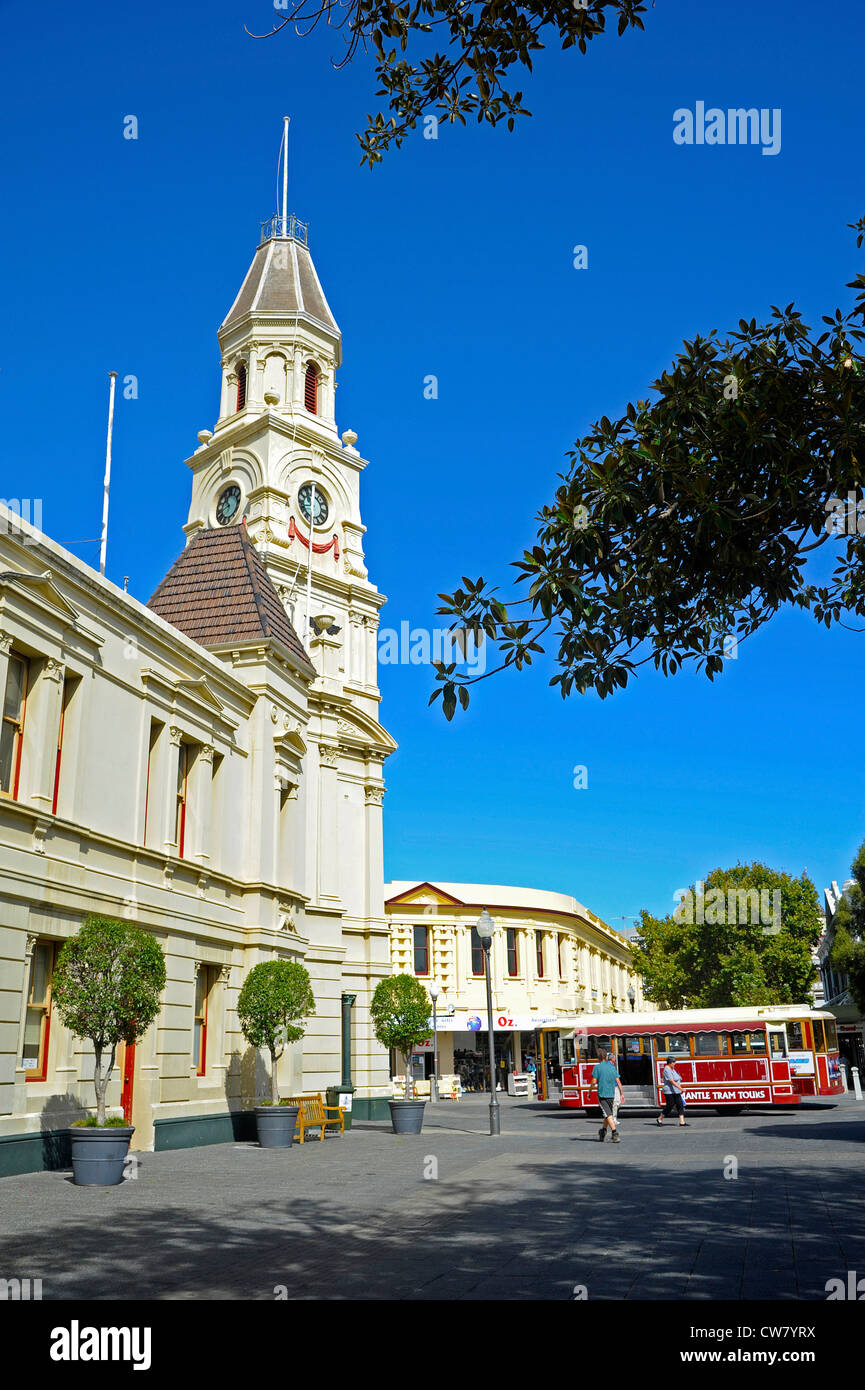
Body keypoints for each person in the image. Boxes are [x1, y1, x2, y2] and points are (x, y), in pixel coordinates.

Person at [590, 1048, 625, 1142]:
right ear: (606, 1056)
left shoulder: (597, 1067)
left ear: (598, 1057)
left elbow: (593, 1082)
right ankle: (603, 1131)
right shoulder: (612, 1067)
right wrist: (622, 1094)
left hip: (602, 1094)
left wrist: (589, 1091)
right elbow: (618, 1081)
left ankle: (615, 1133)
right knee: (607, 1113)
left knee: (608, 1114)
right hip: (611, 1094)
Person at [657, 1059, 687, 1125]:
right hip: (669, 1091)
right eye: (673, 1062)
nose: (674, 1064)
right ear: (670, 1063)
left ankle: (682, 1122)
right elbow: (671, 1081)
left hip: (676, 1091)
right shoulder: (666, 1070)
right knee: (670, 1106)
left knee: (680, 1105)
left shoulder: (673, 1069)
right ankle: (660, 1118)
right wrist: (681, 1088)